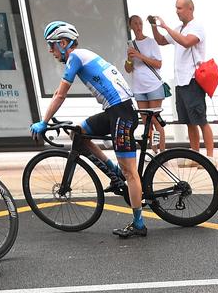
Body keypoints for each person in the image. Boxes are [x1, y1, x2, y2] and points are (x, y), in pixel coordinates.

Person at [32, 21, 147, 239]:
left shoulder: (75, 57)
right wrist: (46, 118)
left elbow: (60, 94)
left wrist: (44, 122)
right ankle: (112, 170)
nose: (50, 50)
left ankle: (139, 223)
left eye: (52, 45)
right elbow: (59, 90)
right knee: (78, 133)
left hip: (121, 112)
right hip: (115, 110)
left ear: (64, 43)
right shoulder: (81, 55)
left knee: (130, 172)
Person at [151, 0, 213, 157]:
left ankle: (210, 156)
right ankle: (195, 155)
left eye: (179, 8)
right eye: (176, 8)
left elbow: (186, 42)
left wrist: (165, 26)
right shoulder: (178, 28)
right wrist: (154, 27)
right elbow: (161, 41)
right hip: (180, 81)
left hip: (193, 79)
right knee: (189, 122)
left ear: (190, 9)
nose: (177, 11)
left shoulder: (197, 27)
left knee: (201, 120)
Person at [124, 14, 166, 153]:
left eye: (140, 23)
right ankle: (153, 150)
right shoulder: (131, 44)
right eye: (135, 24)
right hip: (139, 88)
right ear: (131, 26)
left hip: (153, 86)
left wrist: (139, 55)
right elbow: (128, 69)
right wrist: (130, 58)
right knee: (146, 123)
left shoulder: (151, 42)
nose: (138, 26)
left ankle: (162, 151)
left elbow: (158, 64)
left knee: (155, 119)